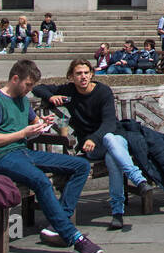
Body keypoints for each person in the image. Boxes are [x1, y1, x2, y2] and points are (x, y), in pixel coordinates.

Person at [0, 58, 101, 253]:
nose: (29, 90)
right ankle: (74, 237)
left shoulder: (22, 100)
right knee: (41, 181)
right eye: (27, 85)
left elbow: (34, 126)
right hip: (2, 157)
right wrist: (23, 133)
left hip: (24, 153)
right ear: (15, 79)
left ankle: (59, 221)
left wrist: (42, 124)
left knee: (80, 165)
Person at [34, 58, 152, 232]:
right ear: (71, 77)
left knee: (112, 149)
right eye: (78, 74)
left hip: (110, 138)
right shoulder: (68, 91)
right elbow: (37, 88)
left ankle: (119, 210)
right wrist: (51, 96)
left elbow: (110, 123)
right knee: (113, 154)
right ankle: (135, 184)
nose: (83, 77)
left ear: (92, 74)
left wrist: (94, 138)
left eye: (86, 73)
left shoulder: (103, 91)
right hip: (93, 146)